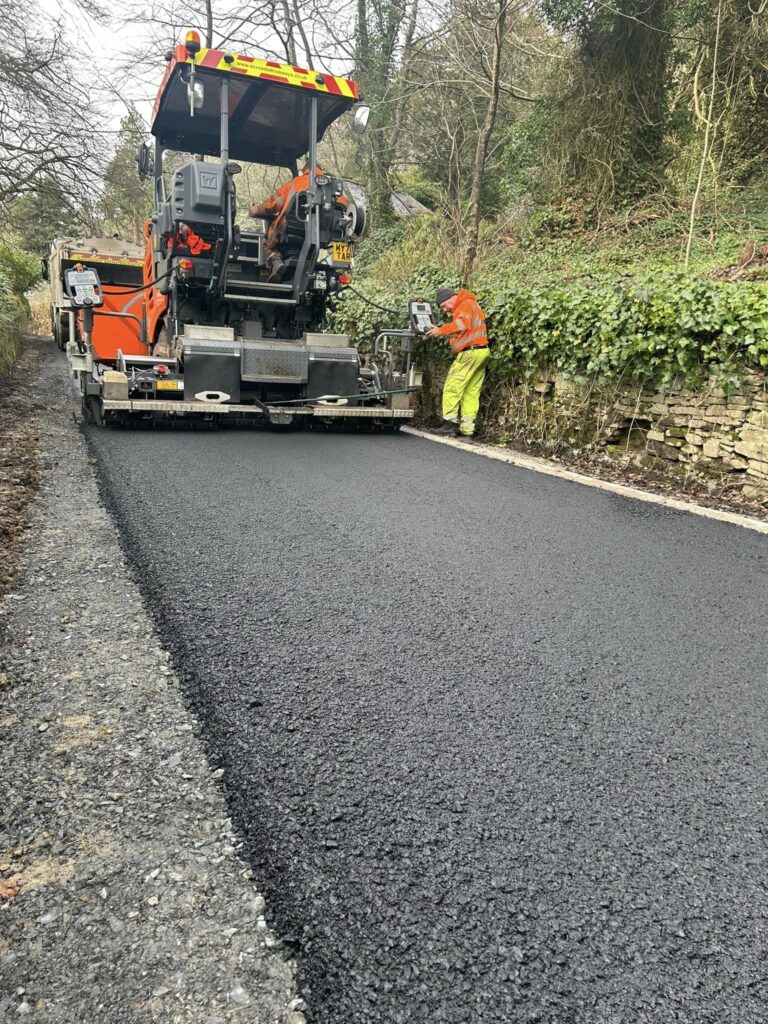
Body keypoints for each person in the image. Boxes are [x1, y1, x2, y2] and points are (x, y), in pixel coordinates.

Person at [249, 164, 347, 281]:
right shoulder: (332, 188)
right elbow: (344, 207)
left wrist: (257, 209)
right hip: (319, 236)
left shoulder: (296, 182)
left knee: (267, 242)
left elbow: (272, 205)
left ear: (304, 171)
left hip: (291, 231)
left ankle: (276, 261)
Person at [427, 287, 490, 437]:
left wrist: (440, 331)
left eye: (444, 305)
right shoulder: (471, 303)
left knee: (452, 387)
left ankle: (449, 424)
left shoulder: (464, 304)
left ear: (451, 298)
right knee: (471, 392)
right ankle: (467, 429)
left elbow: (462, 325)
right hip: (481, 351)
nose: (445, 310)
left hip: (470, 353)